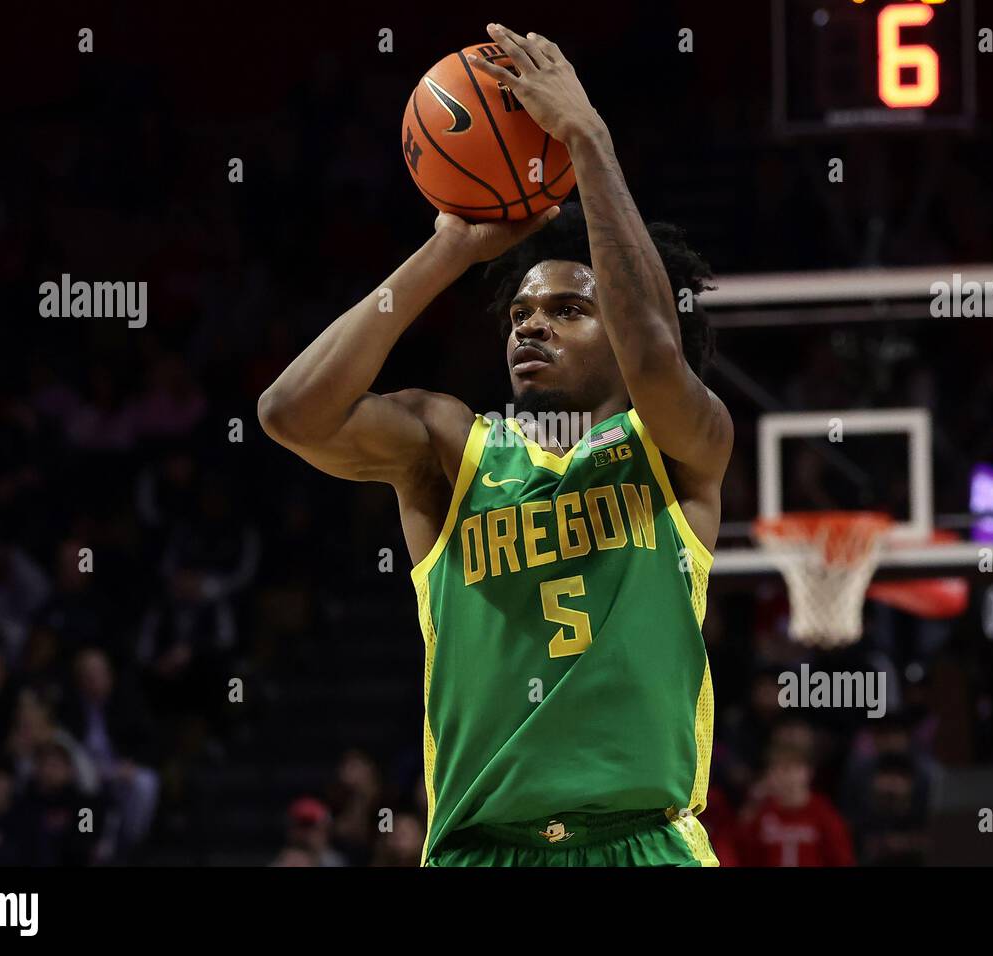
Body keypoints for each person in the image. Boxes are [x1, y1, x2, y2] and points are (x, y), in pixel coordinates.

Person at [259, 23, 732, 867]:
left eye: (568, 310)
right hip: (485, 850)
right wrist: (450, 249)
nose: (533, 325)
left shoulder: (679, 445)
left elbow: (656, 351)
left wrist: (587, 139)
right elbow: (291, 413)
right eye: (520, 313)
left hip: (644, 842)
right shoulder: (450, 448)